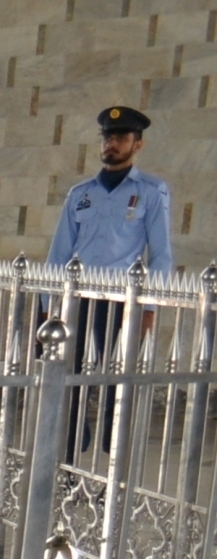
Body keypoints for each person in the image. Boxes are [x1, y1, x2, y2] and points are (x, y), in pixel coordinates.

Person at [48, 106, 173, 454]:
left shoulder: (151, 191)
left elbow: (160, 253)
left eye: (121, 138)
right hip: (79, 297)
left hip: (122, 298)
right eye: (108, 137)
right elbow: (59, 253)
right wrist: (49, 305)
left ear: (137, 145)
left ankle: (111, 450)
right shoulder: (81, 193)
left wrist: (149, 305)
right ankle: (71, 449)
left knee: (116, 377)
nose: (112, 144)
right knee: (70, 374)